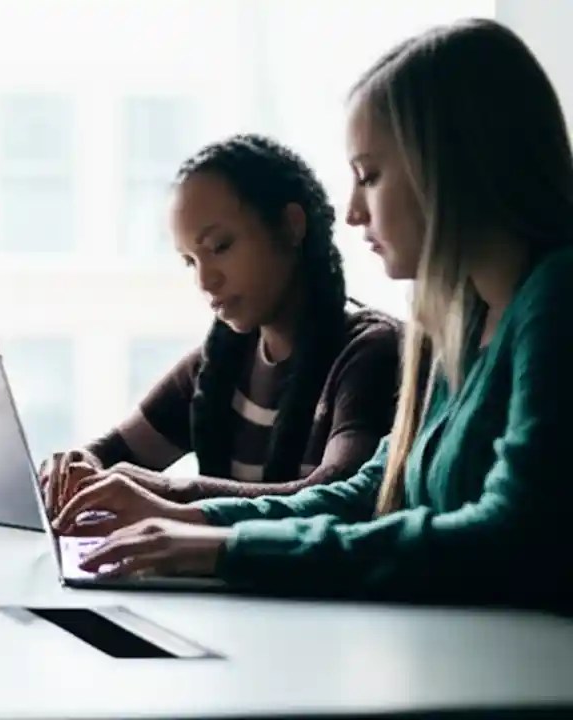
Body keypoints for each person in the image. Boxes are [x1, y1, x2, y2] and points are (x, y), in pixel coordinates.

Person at [62, 18, 573, 610]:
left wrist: (224, 548)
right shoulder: (461, 317)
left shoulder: (555, 300)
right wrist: (195, 522)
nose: (353, 211)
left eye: (370, 176)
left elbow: (511, 538)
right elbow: (370, 494)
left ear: (453, 162)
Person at [43, 134, 402, 535]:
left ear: (290, 226)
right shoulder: (217, 365)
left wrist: (169, 494)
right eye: (189, 261)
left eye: (220, 246)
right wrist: (73, 469)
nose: (205, 279)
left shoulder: (370, 351)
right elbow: (109, 456)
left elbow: (337, 495)